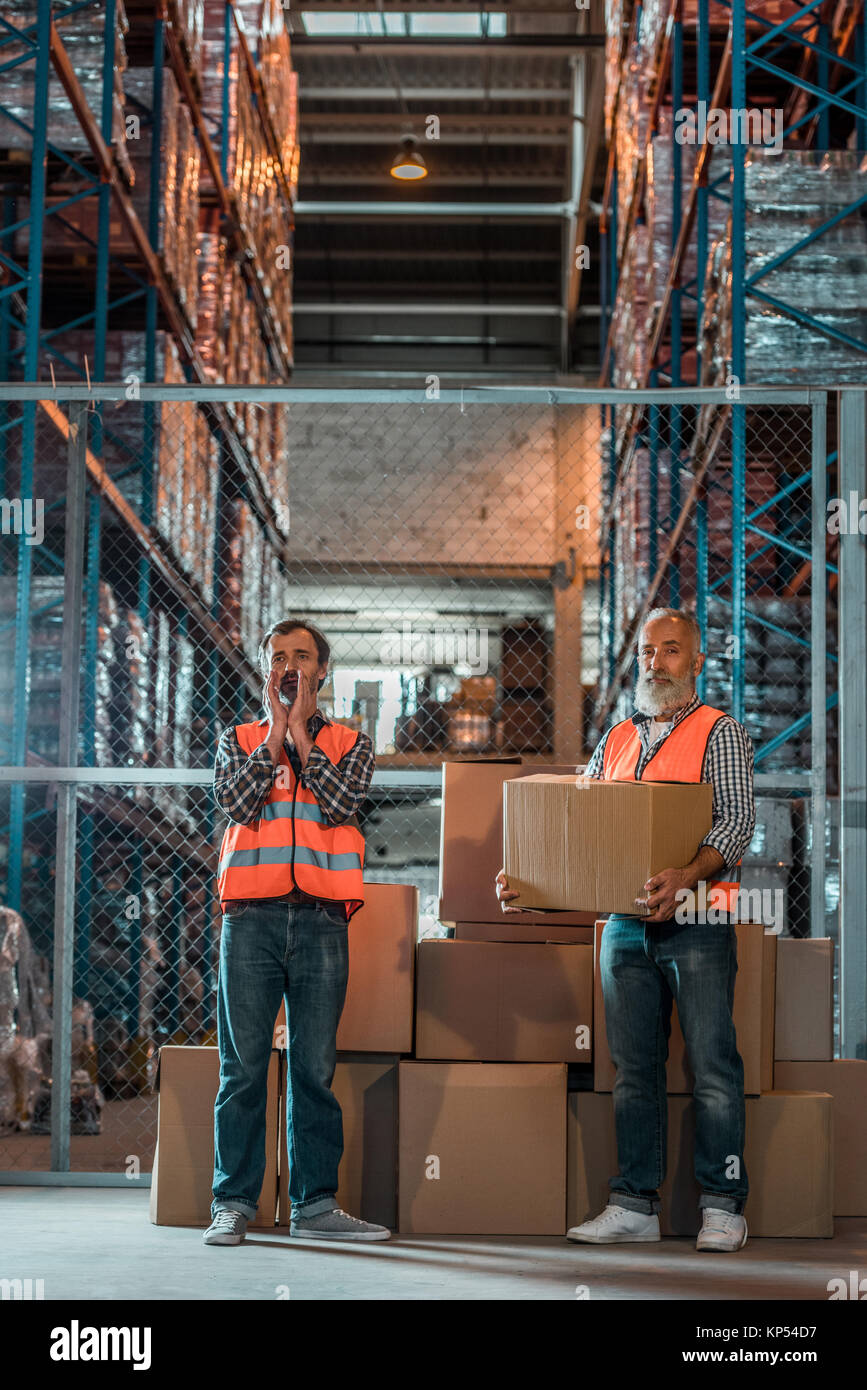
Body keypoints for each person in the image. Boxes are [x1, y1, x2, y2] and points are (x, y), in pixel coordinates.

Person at [496, 607, 756, 1252]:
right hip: (624, 926)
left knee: (713, 1065)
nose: (656, 662)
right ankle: (635, 1204)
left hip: (697, 919)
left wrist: (686, 877)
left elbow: (736, 824)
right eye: (646, 651)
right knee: (634, 1068)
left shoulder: (719, 732)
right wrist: (532, 887)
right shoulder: (615, 739)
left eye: (671, 651)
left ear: (696, 662)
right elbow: (580, 833)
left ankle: (723, 1206)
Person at [203, 619, 389, 1245]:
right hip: (250, 920)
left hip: (320, 921)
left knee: (314, 1068)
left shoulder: (351, 741)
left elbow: (341, 805)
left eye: (302, 657)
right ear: (264, 671)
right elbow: (236, 803)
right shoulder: (236, 738)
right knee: (243, 1070)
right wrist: (276, 735)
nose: (289, 666)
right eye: (278, 657)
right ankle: (231, 1203)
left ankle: (314, 1207)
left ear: (322, 673)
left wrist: (302, 738)